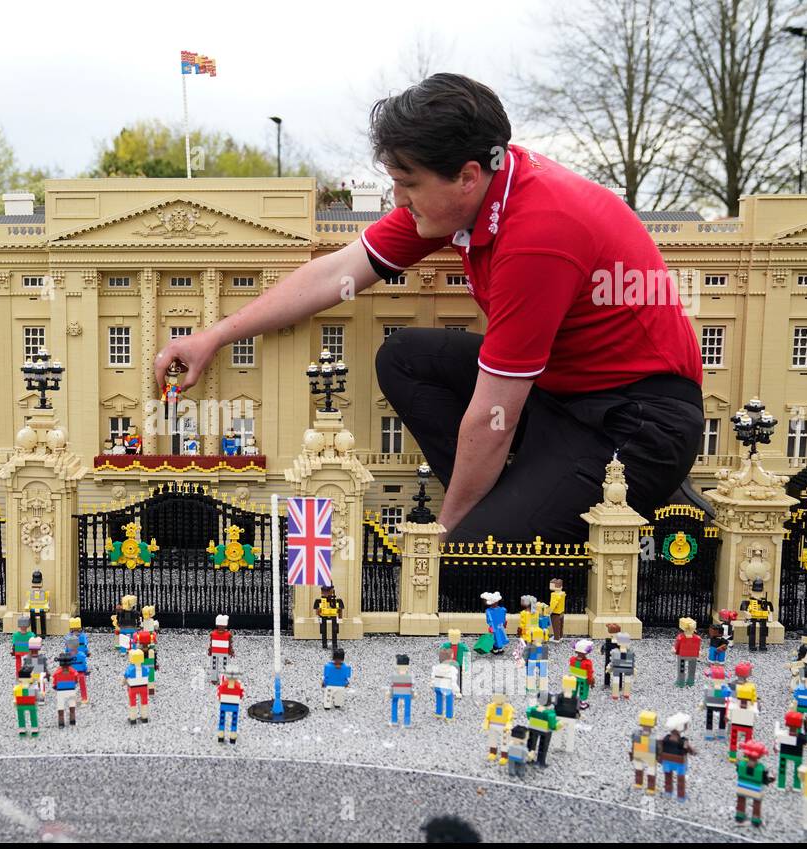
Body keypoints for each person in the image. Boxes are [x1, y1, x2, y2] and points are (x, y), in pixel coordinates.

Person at [153, 73, 703, 544]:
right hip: (563, 395)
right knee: (406, 357)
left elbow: (495, 413)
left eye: (406, 184)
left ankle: (526, 515)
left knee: (476, 565)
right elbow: (336, 272)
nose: (397, 200)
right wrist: (217, 335)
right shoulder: (473, 193)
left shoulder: (538, 235)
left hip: (635, 424)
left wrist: (447, 540)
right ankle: (519, 495)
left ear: (466, 176)